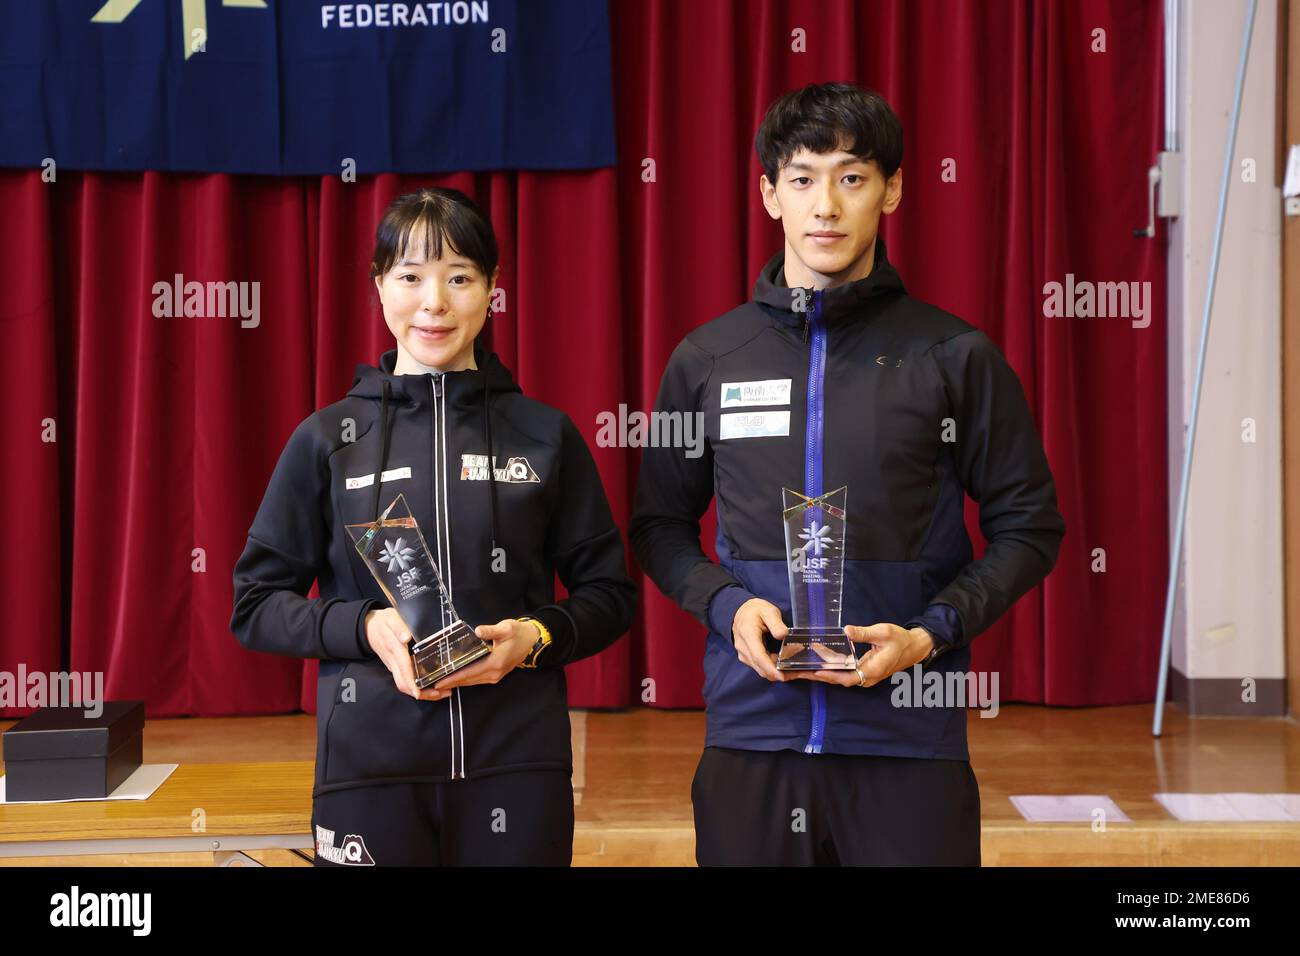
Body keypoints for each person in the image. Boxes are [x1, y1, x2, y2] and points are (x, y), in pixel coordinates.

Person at [630, 82, 1066, 866]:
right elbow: (659, 526)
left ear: (892, 190)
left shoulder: (955, 357)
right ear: (769, 195)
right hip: (750, 736)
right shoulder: (707, 359)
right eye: (802, 178)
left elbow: (1029, 527)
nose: (825, 204)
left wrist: (929, 634)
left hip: (908, 742)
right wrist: (727, 606)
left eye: (852, 177)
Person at [231, 186, 636, 866]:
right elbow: (254, 605)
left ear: (492, 287)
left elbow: (610, 595)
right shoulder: (330, 438)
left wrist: (533, 638)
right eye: (411, 277)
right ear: (379, 286)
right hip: (369, 771)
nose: (434, 304)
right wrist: (364, 626)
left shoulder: (544, 435)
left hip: (518, 766)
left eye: (459, 278)